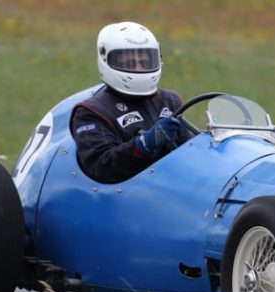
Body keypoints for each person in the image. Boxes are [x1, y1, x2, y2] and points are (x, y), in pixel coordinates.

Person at [69, 22, 190, 183]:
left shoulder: (169, 100)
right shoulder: (91, 112)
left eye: (145, 61)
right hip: (128, 196)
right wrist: (143, 146)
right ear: (106, 60)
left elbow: (190, 153)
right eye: (130, 62)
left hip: (173, 187)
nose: (140, 68)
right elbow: (100, 167)